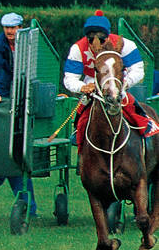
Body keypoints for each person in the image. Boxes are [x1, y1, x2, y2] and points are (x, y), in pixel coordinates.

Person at [64, 9, 159, 147]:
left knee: (125, 99)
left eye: (101, 39)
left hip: (119, 79)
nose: (95, 43)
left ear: (108, 37)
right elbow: (69, 78)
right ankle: (78, 129)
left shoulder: (125, 44)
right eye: (90, 39)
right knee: (84, 102)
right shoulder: (77, 48)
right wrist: (82, 87)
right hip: (93, 80)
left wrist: (123, 83)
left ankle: (144, 122)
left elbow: (138, 70)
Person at [0, 12, 36, 210]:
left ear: (21, 27)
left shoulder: (29, 43)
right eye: (6, 28)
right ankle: (30, 208)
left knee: (13, 167)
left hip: (24, 87)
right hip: (5, 89)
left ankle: (30, 208)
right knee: (8, 167)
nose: (9, 31)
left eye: (13, 27)